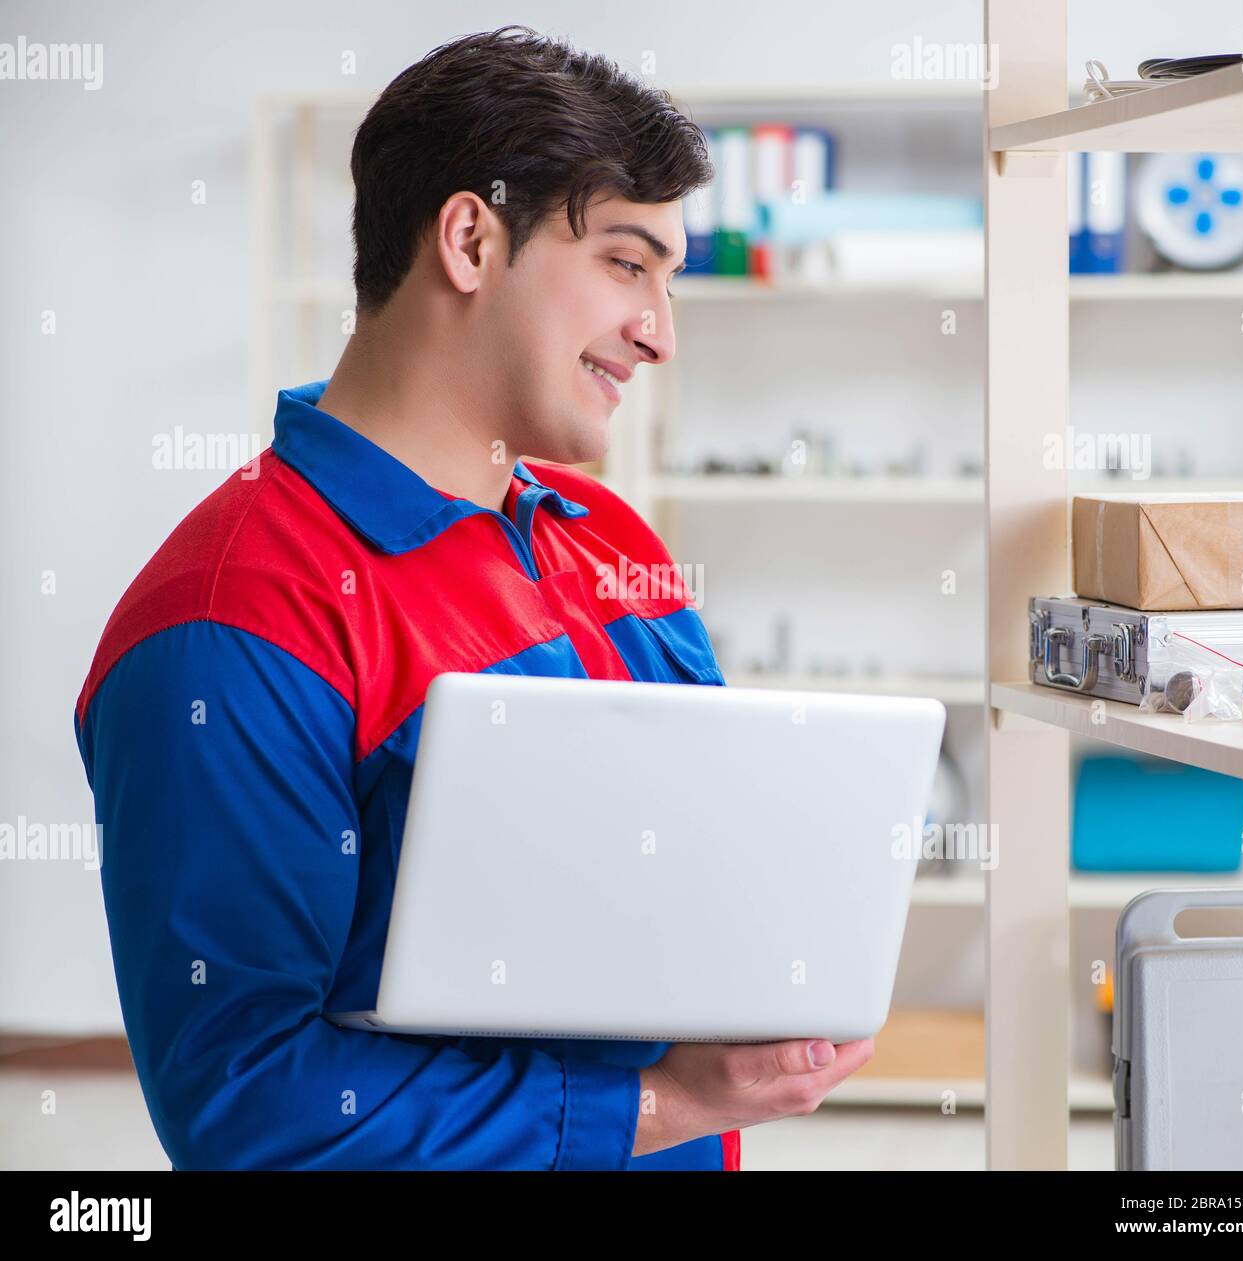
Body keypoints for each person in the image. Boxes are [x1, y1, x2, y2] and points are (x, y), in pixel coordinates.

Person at [73, 24, 874, 1172]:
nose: (660, 333)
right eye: (627, 264)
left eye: (669, 280)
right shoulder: (232, 620)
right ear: (470, 239)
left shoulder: (612, 543)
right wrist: (656, 1106)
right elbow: (246, 1105)